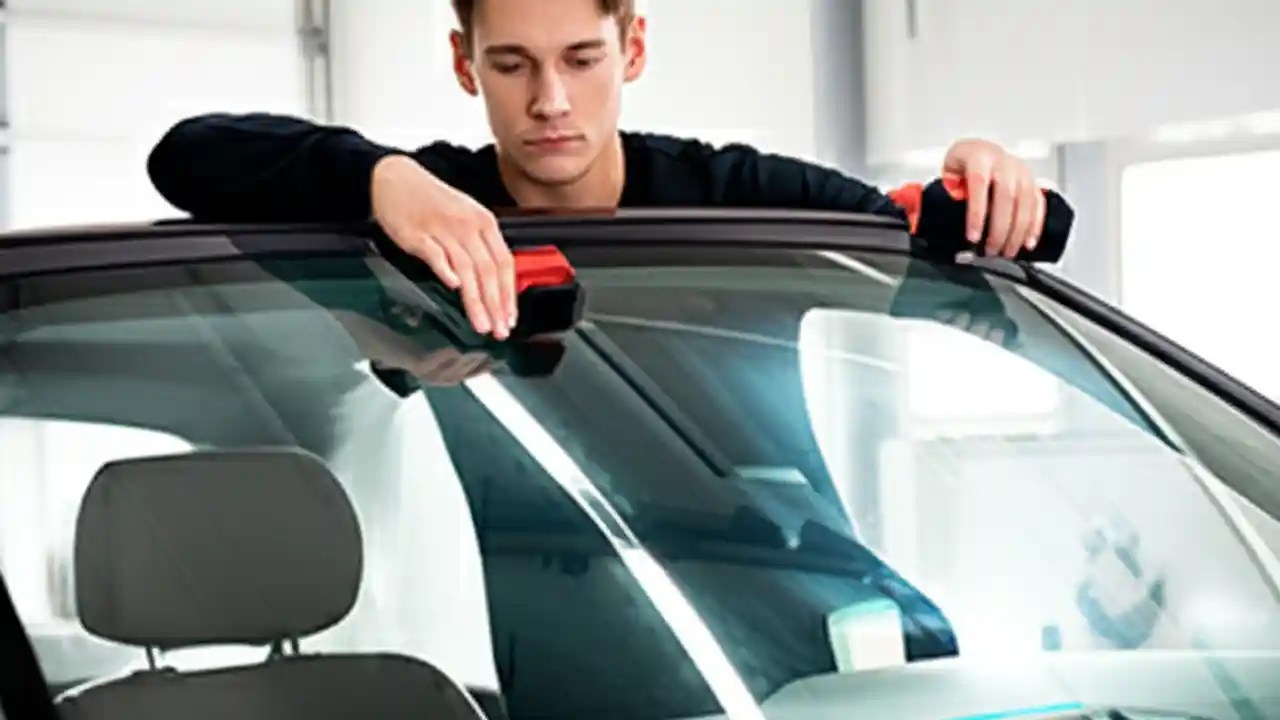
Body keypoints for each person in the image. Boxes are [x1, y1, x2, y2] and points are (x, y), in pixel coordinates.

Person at [148, 0, 1052, 341]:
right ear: (465, 64)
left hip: (796, 567)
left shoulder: (732, 196)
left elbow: (939, 243)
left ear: (634, 48)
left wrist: (990, 177)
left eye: (582, 59)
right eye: (512, 65)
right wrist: (383, 178)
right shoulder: (425, 209)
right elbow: (186, 154)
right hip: (554, 622)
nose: (550, 100)